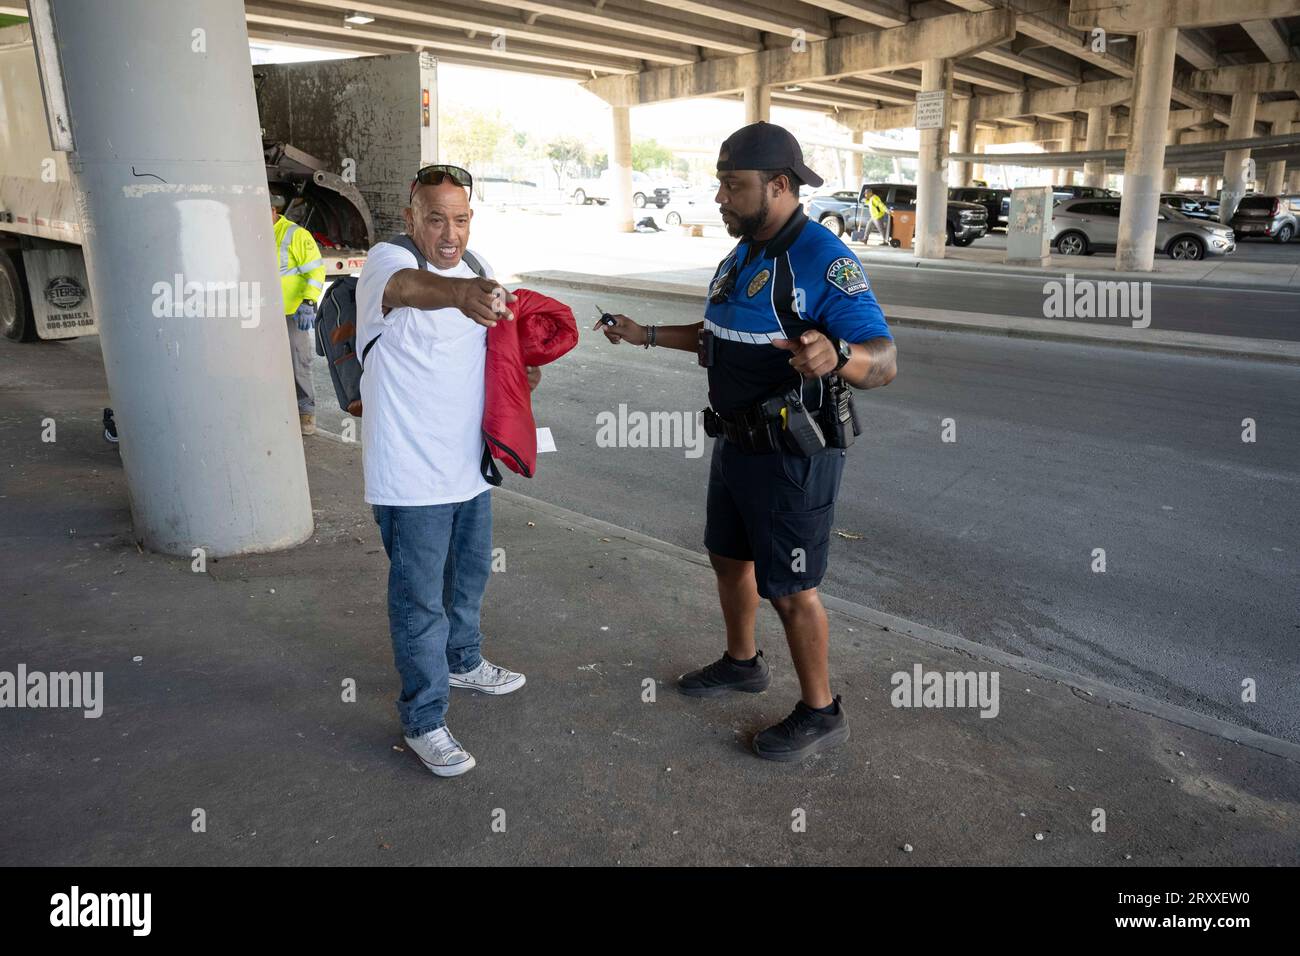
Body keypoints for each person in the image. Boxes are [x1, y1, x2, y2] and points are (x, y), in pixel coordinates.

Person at [597, 122, 897, 763]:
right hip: (735, 445)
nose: (721, 199)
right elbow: (716, 338)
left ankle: (821, 711)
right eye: (721, 186)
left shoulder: (823, 257)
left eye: (734, 187)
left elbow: (885, 361)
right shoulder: (740, 255)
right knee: (729, 561)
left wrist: (837, 354)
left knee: (790, 588)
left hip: (792, 455)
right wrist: (643, 333)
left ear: (780, 185)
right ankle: (743, 663)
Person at [354, 164, 528, 778]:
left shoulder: (476, 269)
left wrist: (522, 369)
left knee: (469, 577)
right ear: (411, 218)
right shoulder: (385, 261)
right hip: (409, 473)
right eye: (435, 218)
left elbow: (485, 358)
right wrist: (457, 294)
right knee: (419, 599)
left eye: (459, 218)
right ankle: (425, 719)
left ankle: (464, 660)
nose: (448, 232)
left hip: (467, 469)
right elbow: (404, 289)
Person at [271, 193, 327, 435]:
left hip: (291, 311)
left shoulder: (295, 235)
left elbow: (315, 272)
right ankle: (274, 408)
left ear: (274, 210)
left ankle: (306, 413)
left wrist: (308, 302)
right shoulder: (250, 229)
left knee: (298, 361)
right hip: (260, 311)